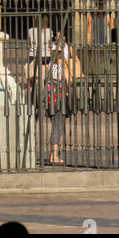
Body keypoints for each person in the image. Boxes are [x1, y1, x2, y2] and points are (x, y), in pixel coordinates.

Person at [46, 28, 71, 165]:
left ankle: (52, 154)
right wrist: (67, 90)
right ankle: (53, 155)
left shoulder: (49, 68)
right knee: (58, 128)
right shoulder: (62, 69)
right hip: (59, 100)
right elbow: (69, 81)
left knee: (54, 126)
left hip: (50, 99)